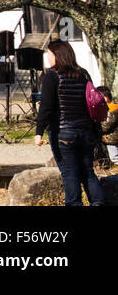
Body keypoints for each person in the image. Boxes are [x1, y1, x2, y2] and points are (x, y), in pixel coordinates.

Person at [34, 40, 105, 205]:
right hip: (86, 131)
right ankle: (99, 203)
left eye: (49, 55)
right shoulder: (83, 74)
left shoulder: (51, 75)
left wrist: (38, 133)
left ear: (57, 56)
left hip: (63, 132)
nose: (48, 59)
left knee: (69, 173)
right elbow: (91, 101)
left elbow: (46, 107)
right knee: (88, 172)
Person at [96, 86, 118, 167]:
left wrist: (97, 129)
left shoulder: (111, 108)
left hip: (112, 139)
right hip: (113, 138)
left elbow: (106, 125)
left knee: (115, 157)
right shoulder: (113, 107)